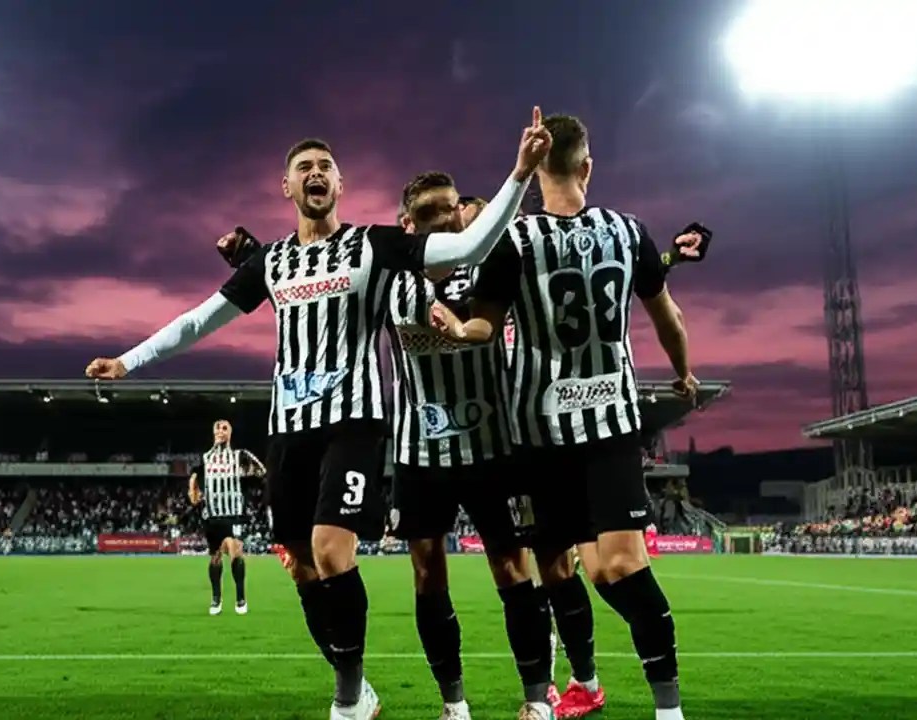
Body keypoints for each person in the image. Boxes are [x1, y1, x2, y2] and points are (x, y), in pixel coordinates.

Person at [86, 106, 552, 720]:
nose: (315, 173)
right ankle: (357, 689)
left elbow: (467, 243)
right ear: (287, 186)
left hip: (354, 424)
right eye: (303, 167)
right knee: (302, 565)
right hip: (289, 432)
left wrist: (519, 174)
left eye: (326, 167)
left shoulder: (376, 246)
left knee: (333, 550)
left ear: (340, 185)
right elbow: (200, 319)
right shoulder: (272, 263)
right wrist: (129, 361)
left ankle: (347, 700)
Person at [218, 184, 704, 720]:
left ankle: (538, 698)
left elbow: (578, 274)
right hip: (418, 454)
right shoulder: (388, 279)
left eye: (451, 208)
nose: (445, 218)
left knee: (515, 572)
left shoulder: (493, 264)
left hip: (493, 447)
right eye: (430, 212)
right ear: (408, 222)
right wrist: (254, 255)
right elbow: (319, 288)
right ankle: (455, 703)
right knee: (429, 577)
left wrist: (666, 259)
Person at [435, 114, 696, 720]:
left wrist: (458, 330)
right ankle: (599, 688)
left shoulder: (513, 242)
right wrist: (683, 372)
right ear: (587, 167)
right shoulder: (628, 231)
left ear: (535, 176)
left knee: (600, 568)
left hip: (542, 432)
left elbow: (483, 326)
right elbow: (668, 319)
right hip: (600, 428)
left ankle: (665, 708)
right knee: (596, 569)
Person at [188, 418, 266, 615]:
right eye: (217, 428)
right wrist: (193, 492)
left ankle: (240, 598)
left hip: (234, 513)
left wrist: (249, 478)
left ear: (230, 433)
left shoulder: (240, 455)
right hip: (212, 514)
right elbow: (195, 476)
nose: (221, 431)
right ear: (214, 433)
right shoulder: (205, 457)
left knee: (235, 552)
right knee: (215, 557)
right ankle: (216, 599)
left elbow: (261, 471)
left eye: (225, 428)